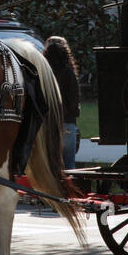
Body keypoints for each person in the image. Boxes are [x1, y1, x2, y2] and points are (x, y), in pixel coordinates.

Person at [42, 36, 81, 172]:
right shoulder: (68, 72)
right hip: (67, 122)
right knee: (68, 163)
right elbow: (74, 99)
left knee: (48, 162)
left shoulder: (43, 73)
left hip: (47, 123)